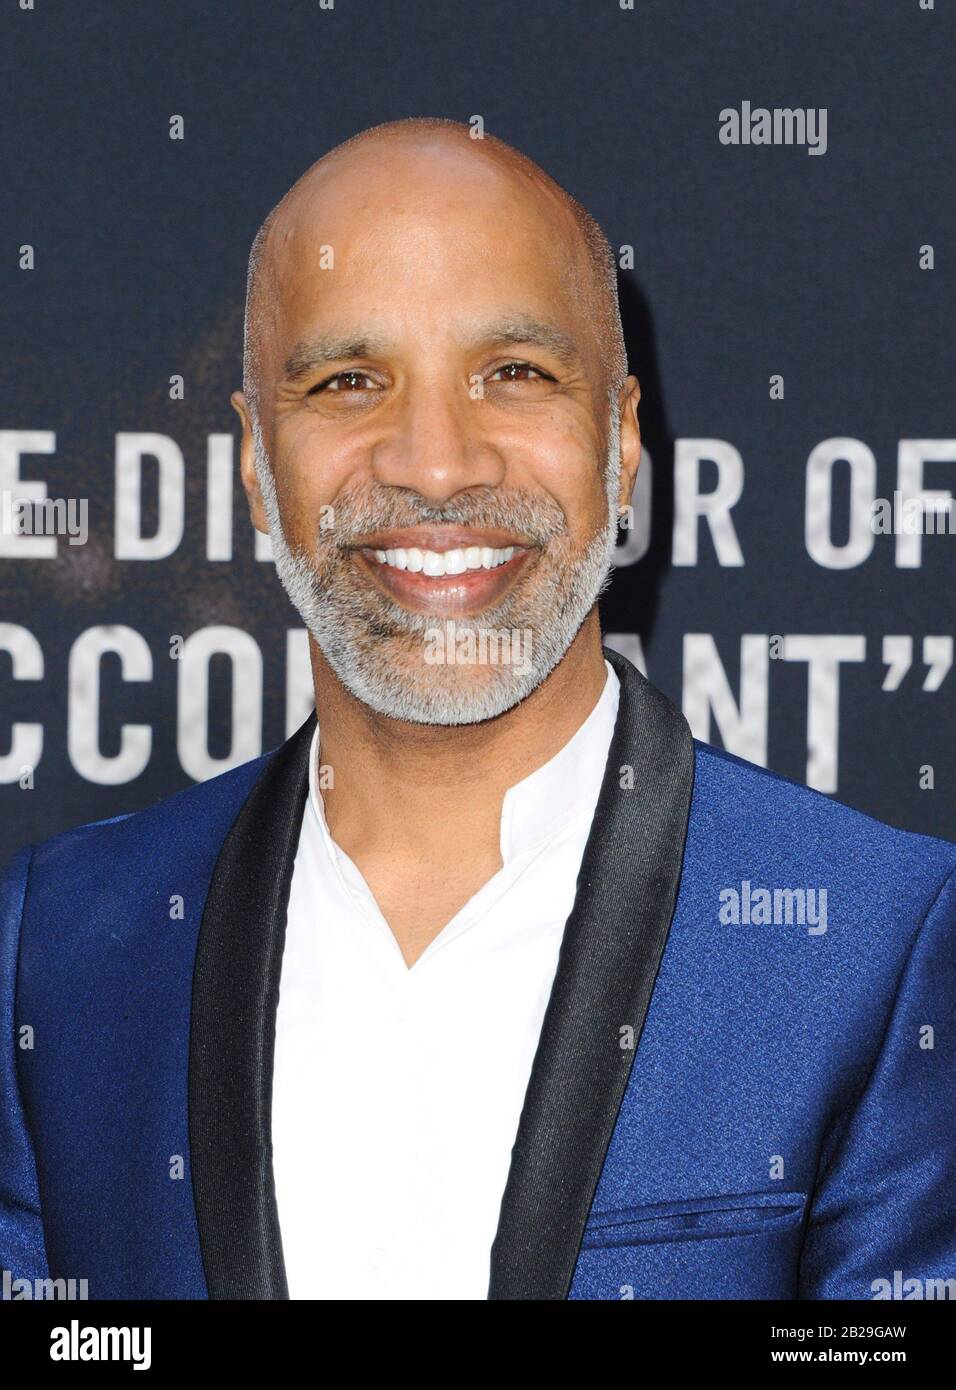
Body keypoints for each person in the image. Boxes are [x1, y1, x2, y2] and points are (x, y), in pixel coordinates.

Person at [2, 118, 954, 1302]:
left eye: (512, 374)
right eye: (349, 382)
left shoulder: (877, 939)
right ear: (255, 466)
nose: (436, 465)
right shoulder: (51, 947)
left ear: (618, 441)